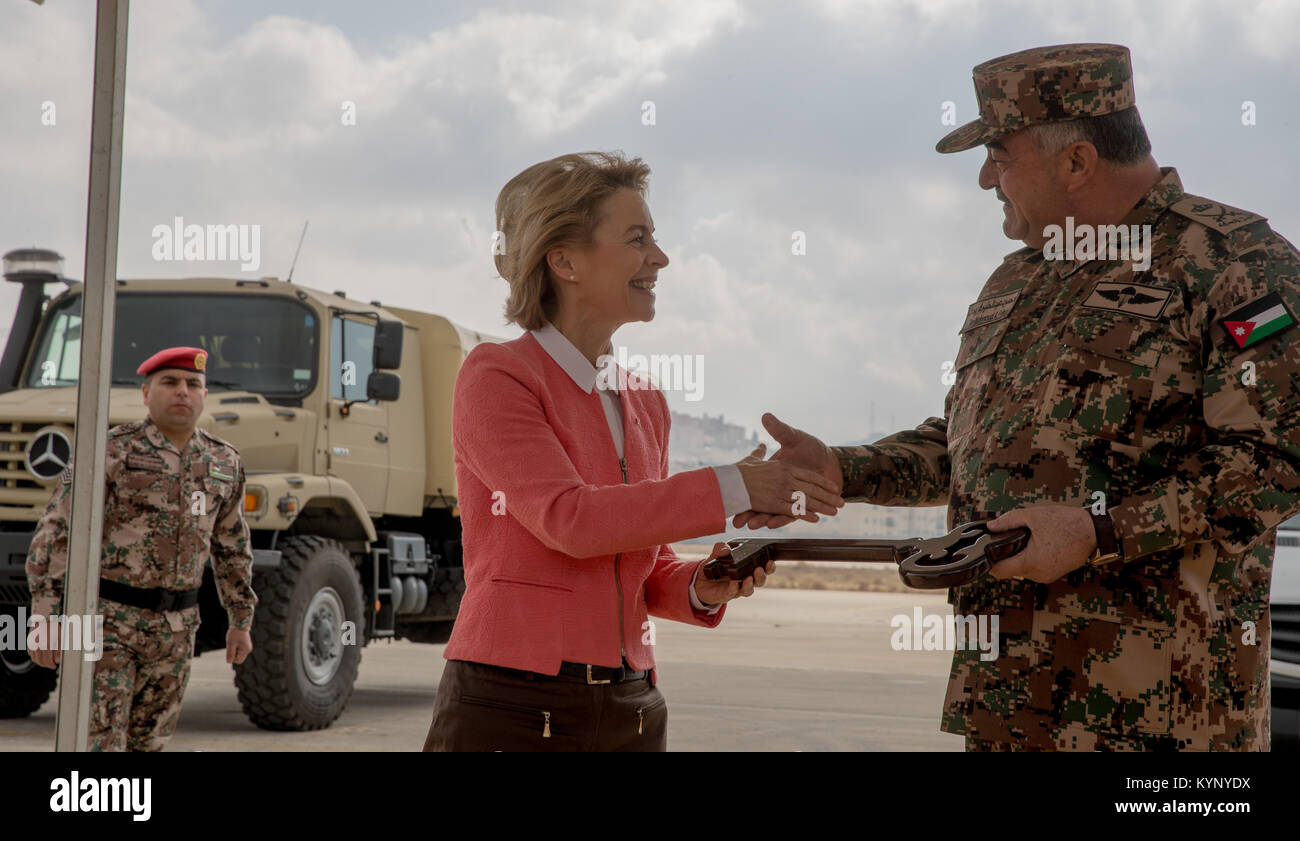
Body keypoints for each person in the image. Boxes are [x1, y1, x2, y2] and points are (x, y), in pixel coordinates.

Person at [736, 43, 1300, 751]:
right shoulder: (1018, 279)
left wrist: (1097, 531)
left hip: (1161, 722)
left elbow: (1278, 463)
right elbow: (970, 445)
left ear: (1077, 162)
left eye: (999, 154)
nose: (984, 178)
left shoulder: (1236, 264)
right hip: (1008, 704)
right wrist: (845, 470)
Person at [423, 151, 845, 751]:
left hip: (631, 705)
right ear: (564, 260)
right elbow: (571, 521)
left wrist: (702, 584)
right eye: (637, 238)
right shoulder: (497, 375)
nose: (660, 258)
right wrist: (737, 486)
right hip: (513, 703)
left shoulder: (645, 400)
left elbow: (641, 563)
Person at [26, 346, 257, 751]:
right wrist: (46, 613)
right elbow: (58, 529)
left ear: (205, 394)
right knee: (100, 743)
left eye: (193, 384)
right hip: (109, 624)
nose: (182, 392)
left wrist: (241, 619)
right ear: (146, 393)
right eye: (170, 383)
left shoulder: (225, 461)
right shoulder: (110, 449)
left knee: (148, 745)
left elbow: (231, 544)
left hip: (178, 631)